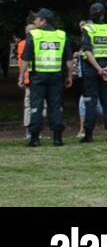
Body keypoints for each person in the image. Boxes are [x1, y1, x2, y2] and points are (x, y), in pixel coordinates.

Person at [21, 9, 73, 147]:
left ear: (44, 20)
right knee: (56, 106)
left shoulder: (34, 35)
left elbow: (26, 59)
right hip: (56, 76)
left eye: (37, 19)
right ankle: (57, 138)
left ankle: (35, 138)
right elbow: (69, 60)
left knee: (36, 106)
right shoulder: (61, 35)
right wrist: (69, 76)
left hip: (38, 76)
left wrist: (21, 77)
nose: (35, 21)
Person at [79, 3, 107, 142]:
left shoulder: (88, 29)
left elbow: (87, 51)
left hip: (92, 68)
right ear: (103, 14)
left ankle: (89, 135)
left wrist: (98, 69)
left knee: (90, 101)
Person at [17, 19, 41, 140]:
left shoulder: (23, 44)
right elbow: (24, 62)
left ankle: (32, 131)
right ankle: (32, 131)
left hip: (33, 79)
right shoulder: (25, 44)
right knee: (34, 105)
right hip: (33, 79)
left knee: (31, 105)